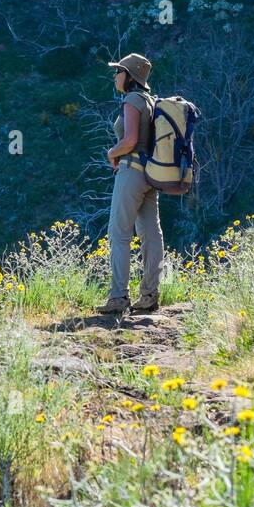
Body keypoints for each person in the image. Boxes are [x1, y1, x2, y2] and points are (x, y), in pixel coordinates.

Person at [99, 52, 163, 314]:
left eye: (119, 71)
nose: (115, 76)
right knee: (151, 234)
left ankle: (118, 297)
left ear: (130, 75)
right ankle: (149, 294)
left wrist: (111, 153)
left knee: (119, 234)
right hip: (150, 175)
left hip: (131, 172)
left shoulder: (132, 100)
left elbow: (129, 141)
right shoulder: (149, 100)